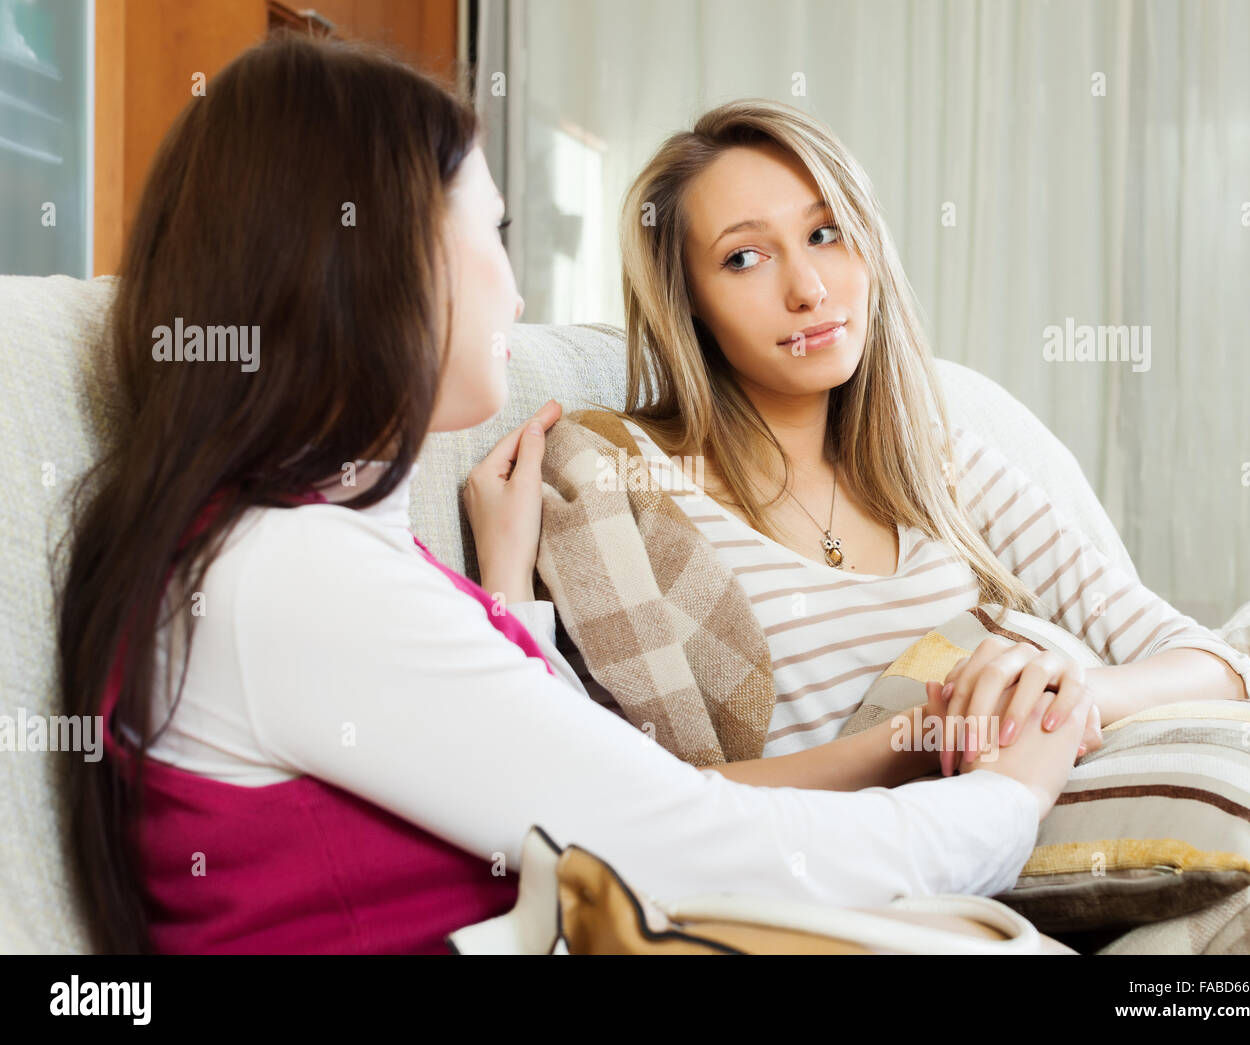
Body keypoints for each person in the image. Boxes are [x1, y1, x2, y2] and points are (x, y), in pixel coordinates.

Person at [56, 33, 1088, 956]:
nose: (516, 292)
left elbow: (540, 772)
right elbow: (696, 846)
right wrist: (1008, 796)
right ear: (381, 264)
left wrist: (502, 594)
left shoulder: (296, 551)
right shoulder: (286, 576)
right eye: (493, 236)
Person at [537, 97, 1250, 786]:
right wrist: (916, 740)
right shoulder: (624, 479)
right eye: (745, 258)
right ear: (684, 296)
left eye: (826, 233)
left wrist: (1060, 693)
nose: (809, 289)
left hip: (1024, 844)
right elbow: (637, 796)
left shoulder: (943, 467)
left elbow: (1214, 664)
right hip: (846, 887)